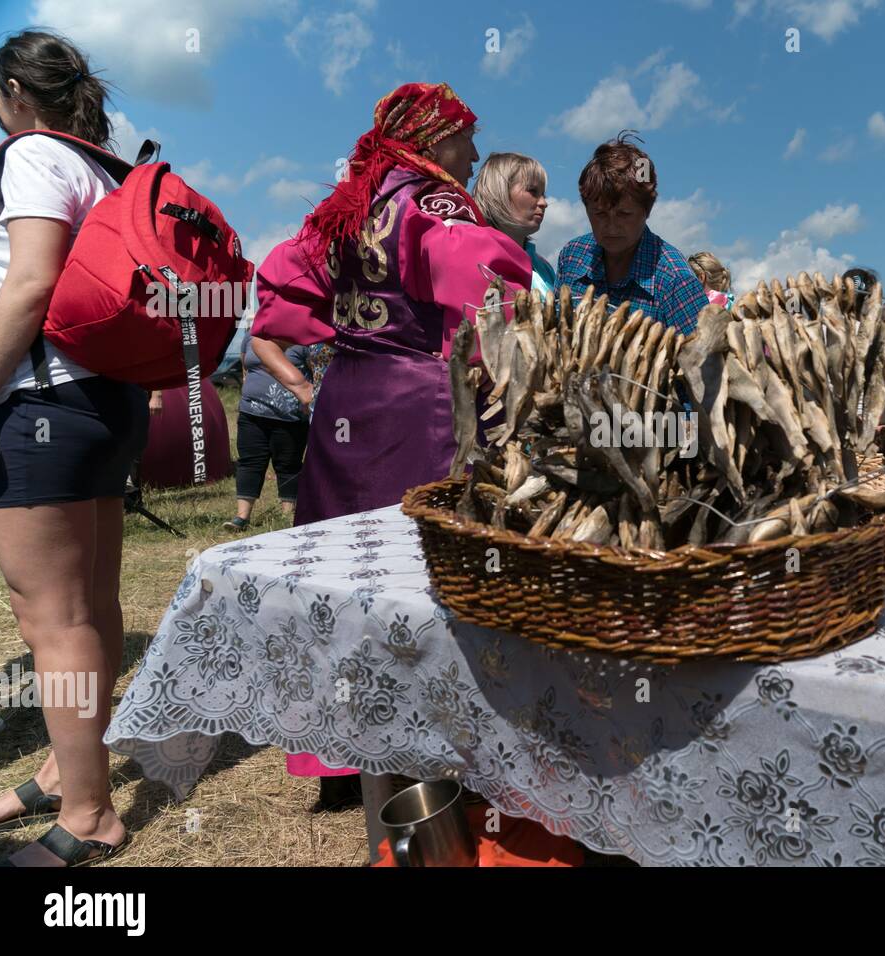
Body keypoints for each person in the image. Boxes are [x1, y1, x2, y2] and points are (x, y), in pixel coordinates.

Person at [252, 81, 530, 803]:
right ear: (436, 136)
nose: (471, 156)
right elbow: (486, 288)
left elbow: (284, 281)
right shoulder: (432, 202)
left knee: (343, 566)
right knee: (420, 568)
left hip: (347, 395)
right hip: (415, 402)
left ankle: (346, 753)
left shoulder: (351, 203)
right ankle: (429, 735)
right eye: (466, 138)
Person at [0, 30, 147, 866]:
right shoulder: (99, 165)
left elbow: (30, 286)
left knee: (49, 616)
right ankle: (65, 768)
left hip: (44, 403)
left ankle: (90, 814)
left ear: (15, 89)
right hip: (108, 402)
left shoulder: (28, 155)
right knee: (89, 602)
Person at [557, 132, 707, 335]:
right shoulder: (573, 256)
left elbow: (704, 361)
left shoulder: (676, 281)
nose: (611, 226)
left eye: (624, 214)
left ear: (648, 209)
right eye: (600, 214)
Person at [224, 336, 311, 530]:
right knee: (249, 461)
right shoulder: (251, 336)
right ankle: (241, 517)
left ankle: (287, 517)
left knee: (288, 465)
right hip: (251, 412)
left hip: (290, 416)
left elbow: (314, 372)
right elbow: (246, 369)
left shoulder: (302, 339)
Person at [472, 152, 556, 295]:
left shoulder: (544, 268)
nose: (544, 203)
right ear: (500, 192)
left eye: (544, 194)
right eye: (533, 191)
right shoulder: (473, 256)